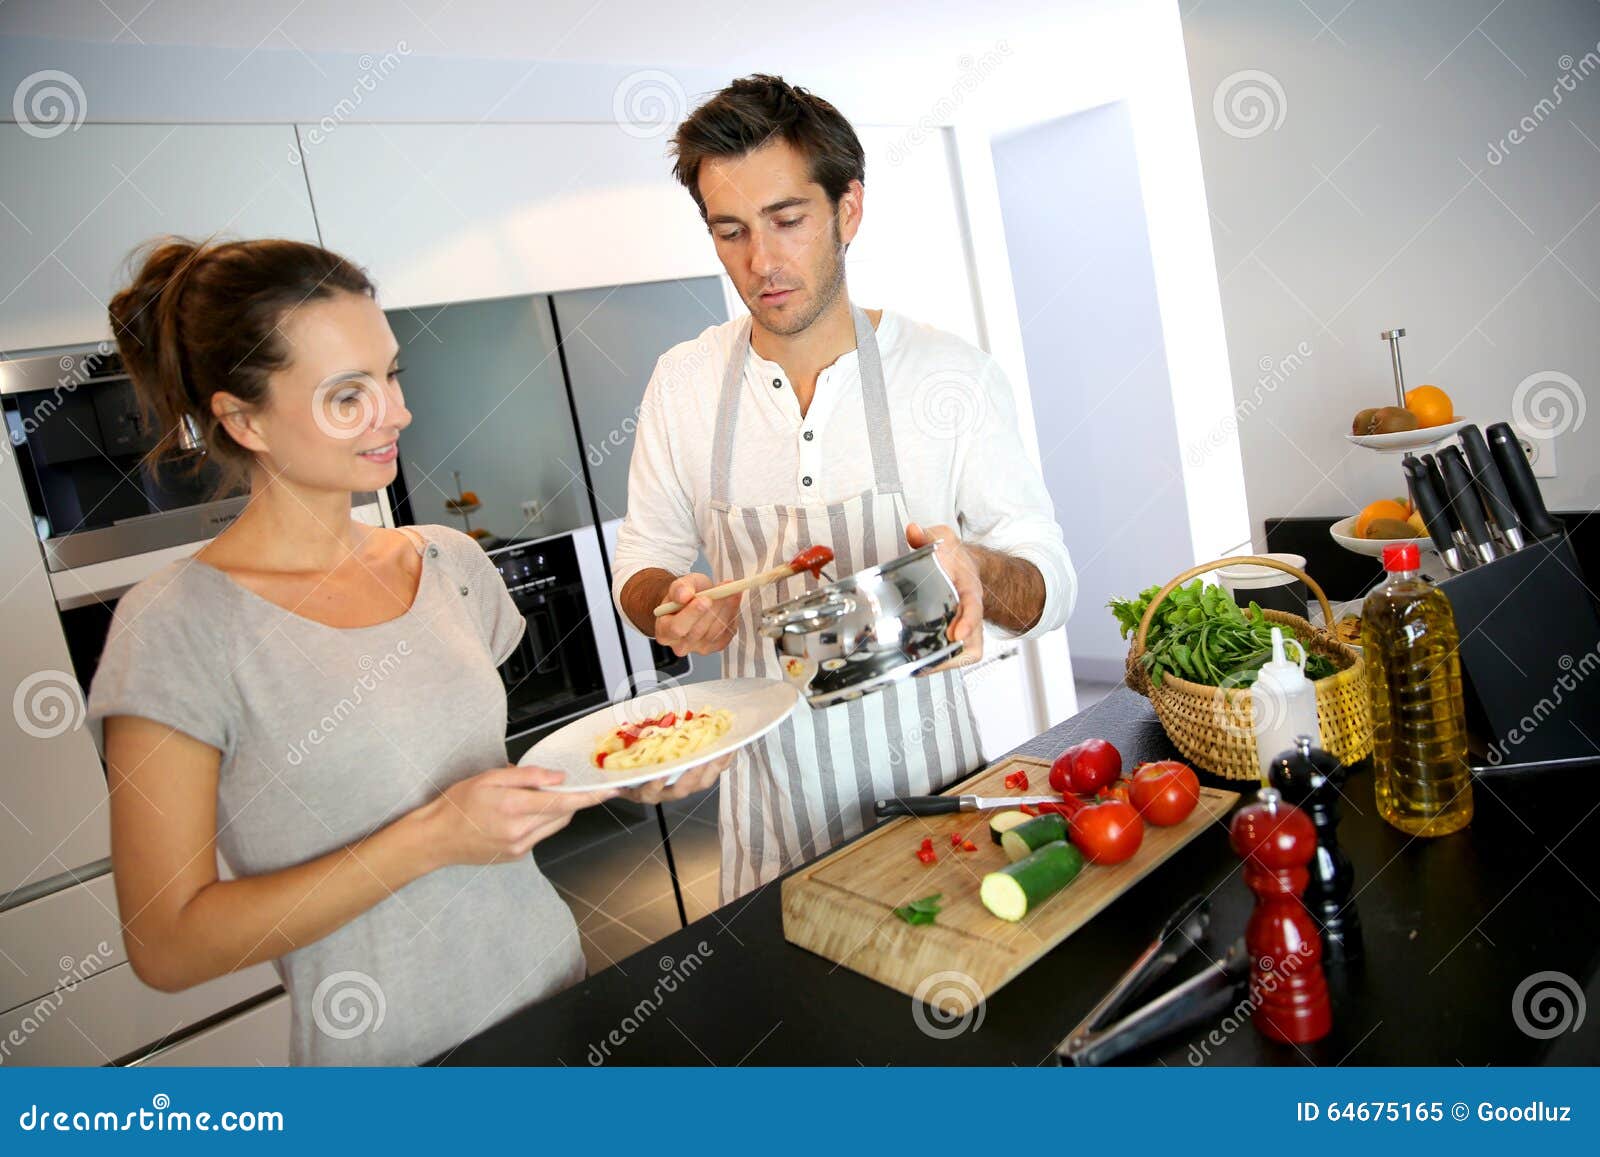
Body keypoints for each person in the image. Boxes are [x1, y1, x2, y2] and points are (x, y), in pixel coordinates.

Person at [89, 238, 722, 1065]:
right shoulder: (176, 626)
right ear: (243, 419)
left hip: (562, 999)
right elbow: (167, 944)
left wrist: (622, 769)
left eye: (390, 376)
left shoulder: (446, 563)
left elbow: (473, 781)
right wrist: (426, 839)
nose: (397, 412)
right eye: (347, 395)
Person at [612, 76, 1076, 901]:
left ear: (848, 211)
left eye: (787, 220)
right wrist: (669, 602)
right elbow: (641, 566)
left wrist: (971, 565)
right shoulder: (681, 385)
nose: (761, 262)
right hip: (767, 823)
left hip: (936, 808)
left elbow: (1049, 588)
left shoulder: (949, 376)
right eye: (731, 231)